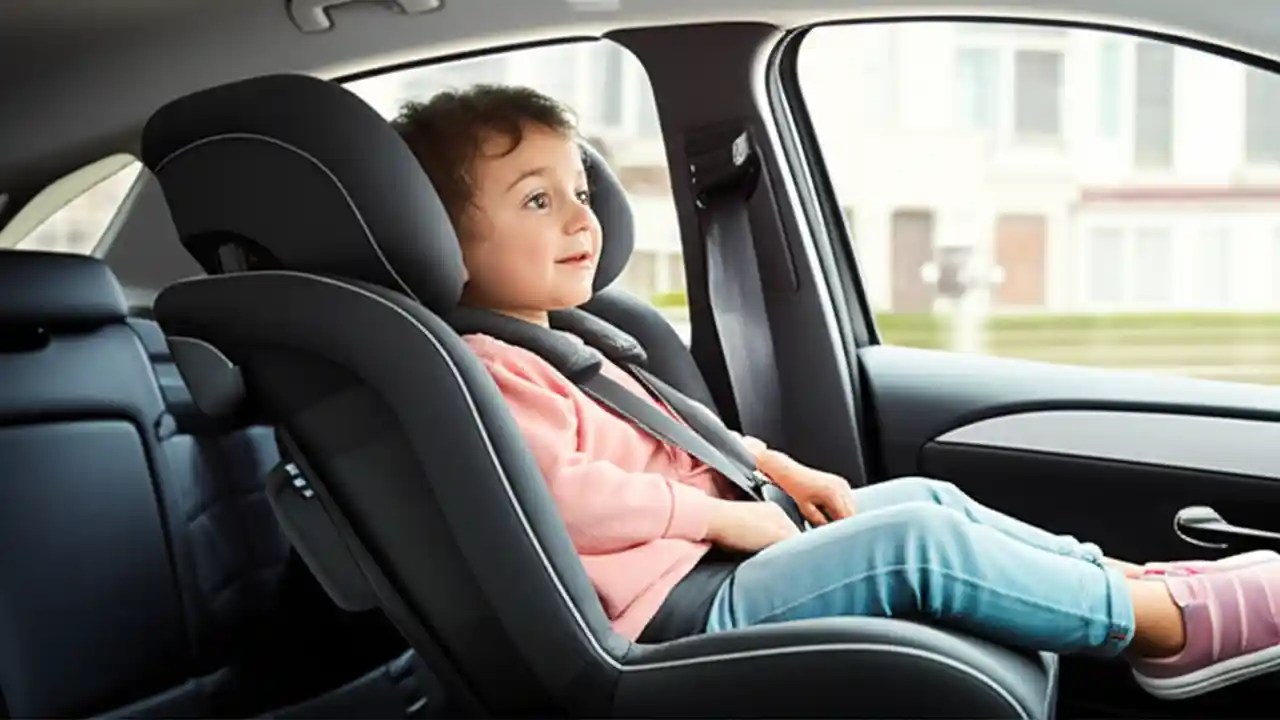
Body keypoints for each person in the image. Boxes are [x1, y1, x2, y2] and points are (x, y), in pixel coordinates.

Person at [391, 84, 1280, 701]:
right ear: (444, 239)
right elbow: (565, 497)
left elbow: (672, 437)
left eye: (580, 190)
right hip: (675, 604)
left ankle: (1145, 583)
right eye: (536, 201)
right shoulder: (484, 365)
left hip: (709, 562)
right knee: (920, 541)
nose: (584, 217)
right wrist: (719, 518)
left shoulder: (572, 339)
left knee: (925, 497)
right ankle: (1168, 631)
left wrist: (774, 468)